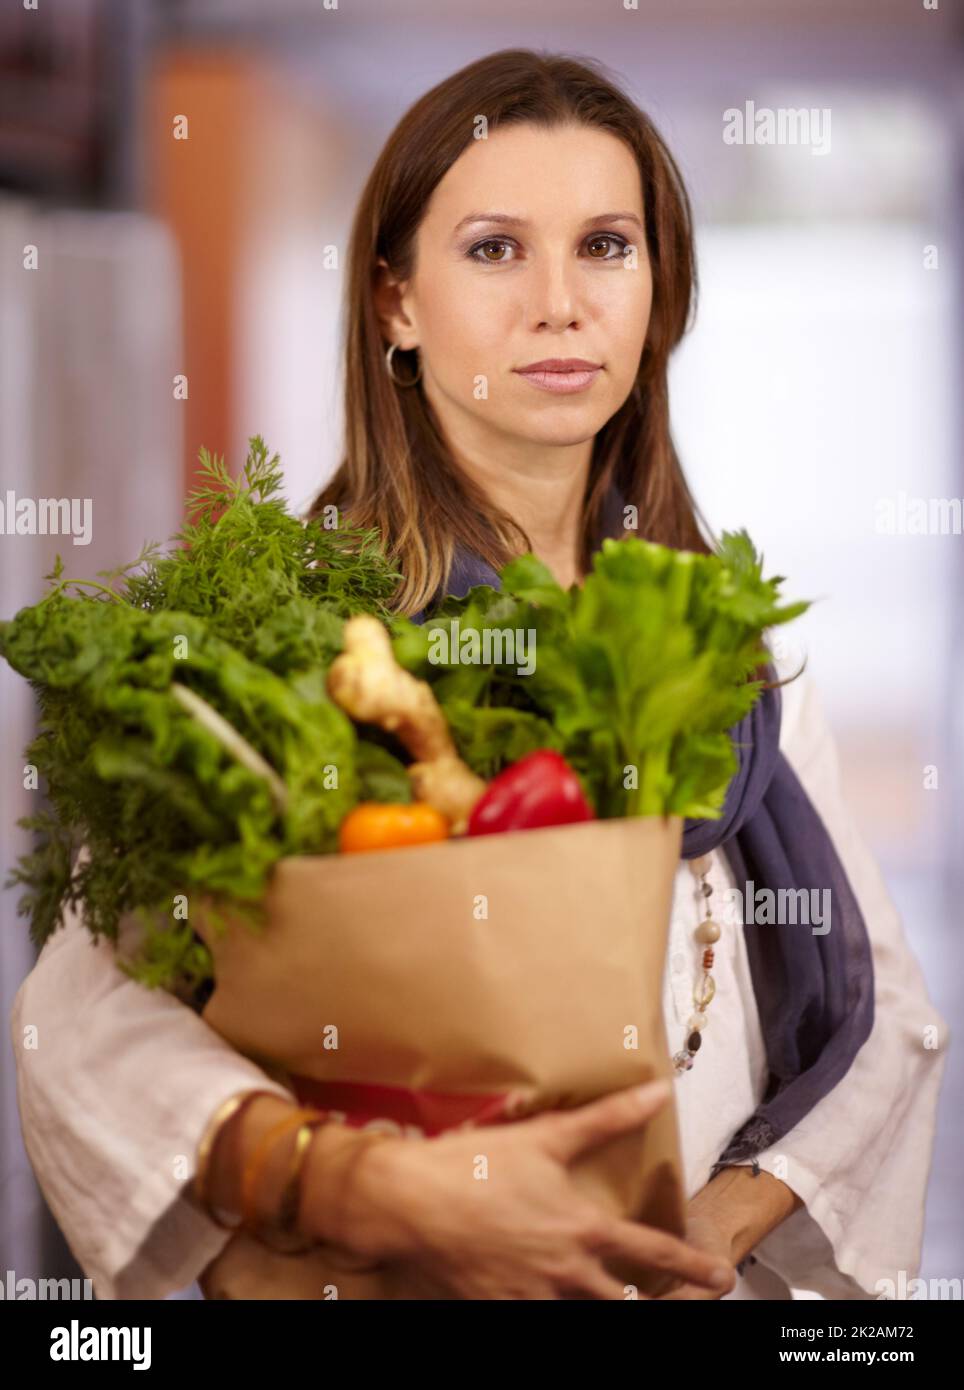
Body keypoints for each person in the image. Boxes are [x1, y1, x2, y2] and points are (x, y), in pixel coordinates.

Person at [9, 49, 948, 1301]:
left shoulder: (732, 649)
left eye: (606, 246)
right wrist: (356, 1186)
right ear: (396, 301)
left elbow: (882, 1010)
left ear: (659, 291)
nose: (560, 303)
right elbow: (80, 1020)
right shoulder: (281, 638)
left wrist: (704, 1236)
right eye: (495, 249)